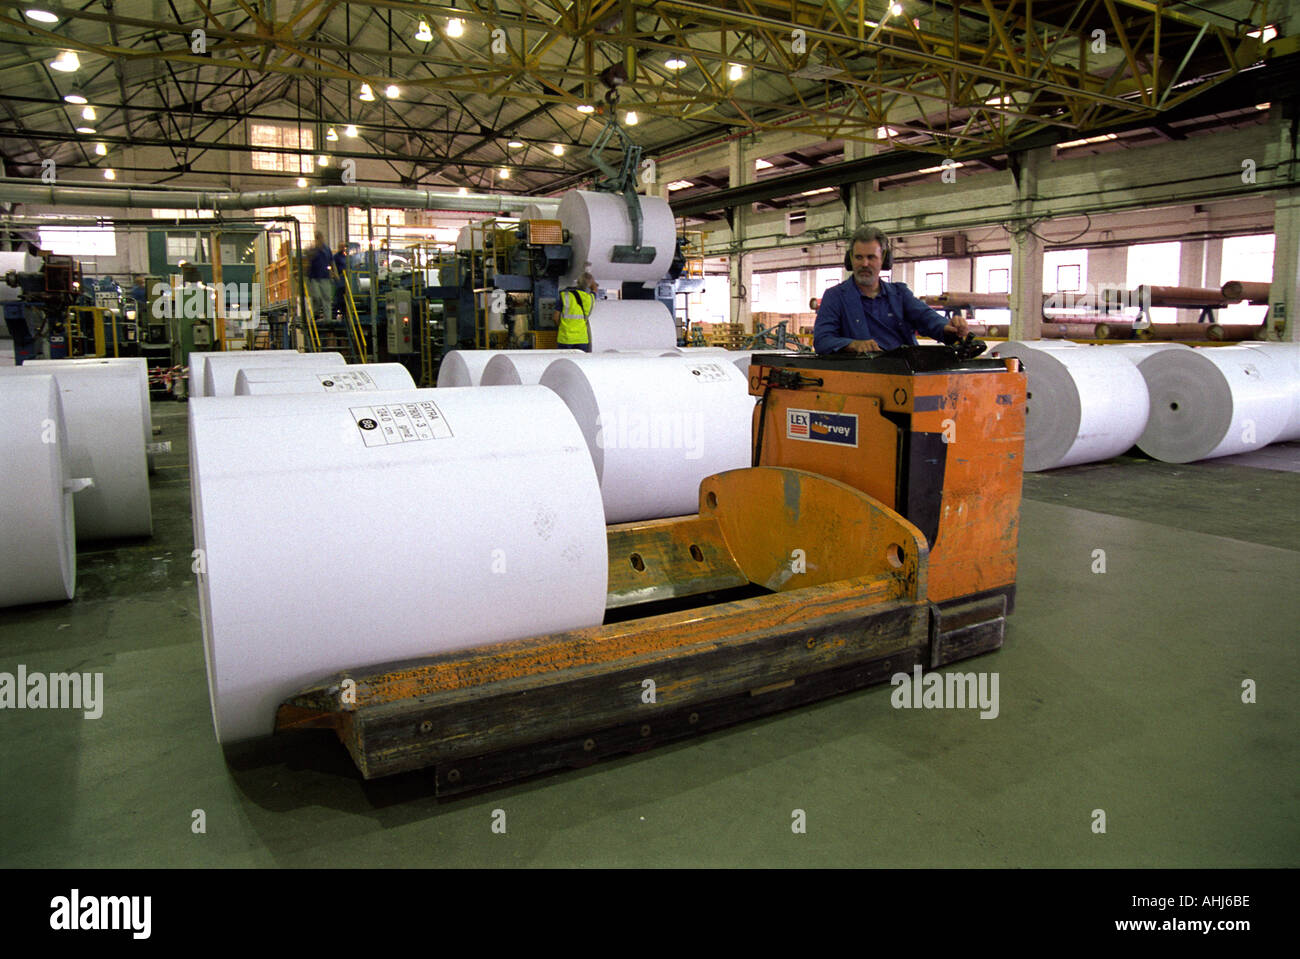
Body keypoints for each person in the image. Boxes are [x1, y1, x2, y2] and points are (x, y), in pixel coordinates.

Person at [813, 224, 967, 354]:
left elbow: (926, 317)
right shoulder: (835, 297)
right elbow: (822, 340)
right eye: (859, 257)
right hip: (860, 376)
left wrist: (949, 328)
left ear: (883, 260)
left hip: (903, 373)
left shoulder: (899, 294)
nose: (864, 264)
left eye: (871, 257)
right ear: (850, 259)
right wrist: (853, 345)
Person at [555, 271, 597, 352]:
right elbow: (595, 290)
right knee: (580, 362)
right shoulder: (590, 299)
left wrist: (562, 328)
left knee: (564, 362)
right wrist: (593, 283)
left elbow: (555, 318)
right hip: (581, 339)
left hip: (565, 338)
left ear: (577, 282)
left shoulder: (565, 296)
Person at [307, 231, 334, 323]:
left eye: (320, 237)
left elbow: (331, 261)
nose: (319, 239)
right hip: (314, 277)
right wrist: (315, 249)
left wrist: (335, 273)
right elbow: (308, 257)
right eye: (317, 237)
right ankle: (315, 314)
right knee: (317, 297)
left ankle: (328, 319)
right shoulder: (313, 249)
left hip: (325, 277)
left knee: (327, 298)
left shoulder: (327, 249)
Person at [332, 242, 349, 320]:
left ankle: (344, 314)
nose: (343, 248)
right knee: (339, 297)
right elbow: (333, 267)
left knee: (344, 298)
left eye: (344, 247)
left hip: (346, 280)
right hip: (340, 279)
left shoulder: (346, 257)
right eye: (341, 247)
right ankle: (334, 314)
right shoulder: (336, 257)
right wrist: (336, 276)